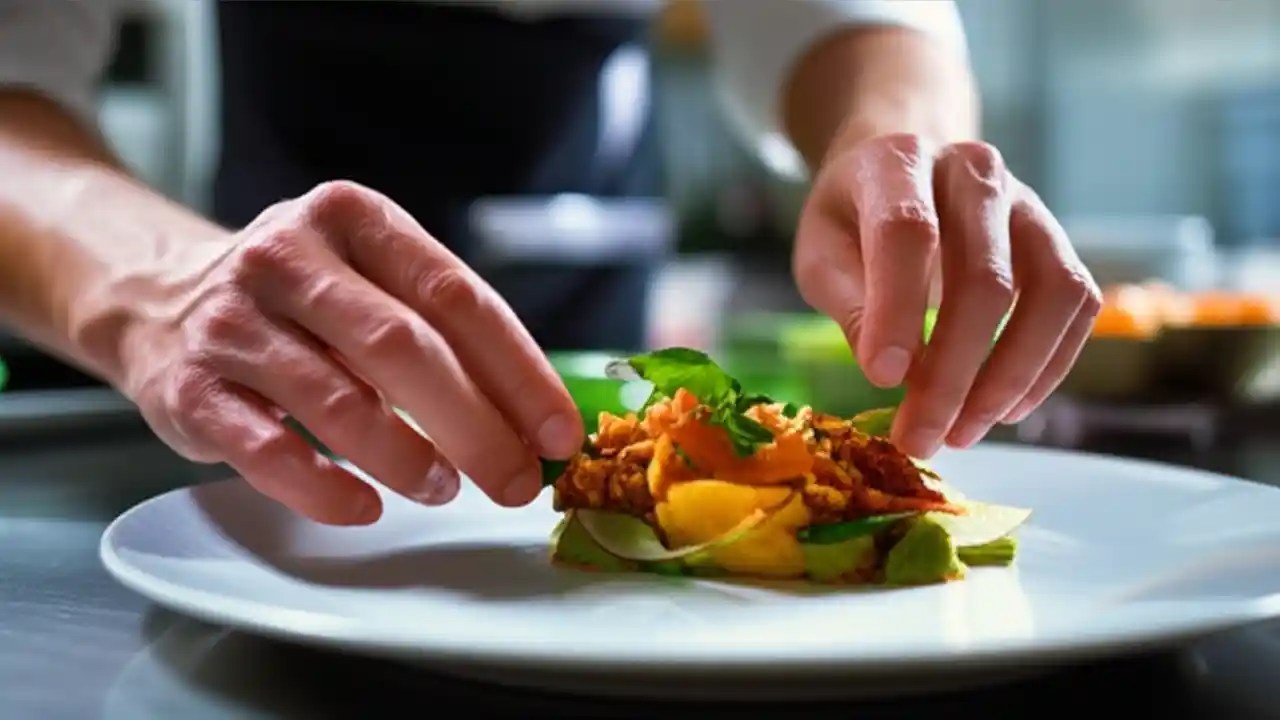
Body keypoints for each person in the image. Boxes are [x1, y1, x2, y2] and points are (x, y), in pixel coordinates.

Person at [0, 1, 1099, 526]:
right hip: (267, 413)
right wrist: (158, 290)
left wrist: (891, 152)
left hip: (607, 293)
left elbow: (857, 23)